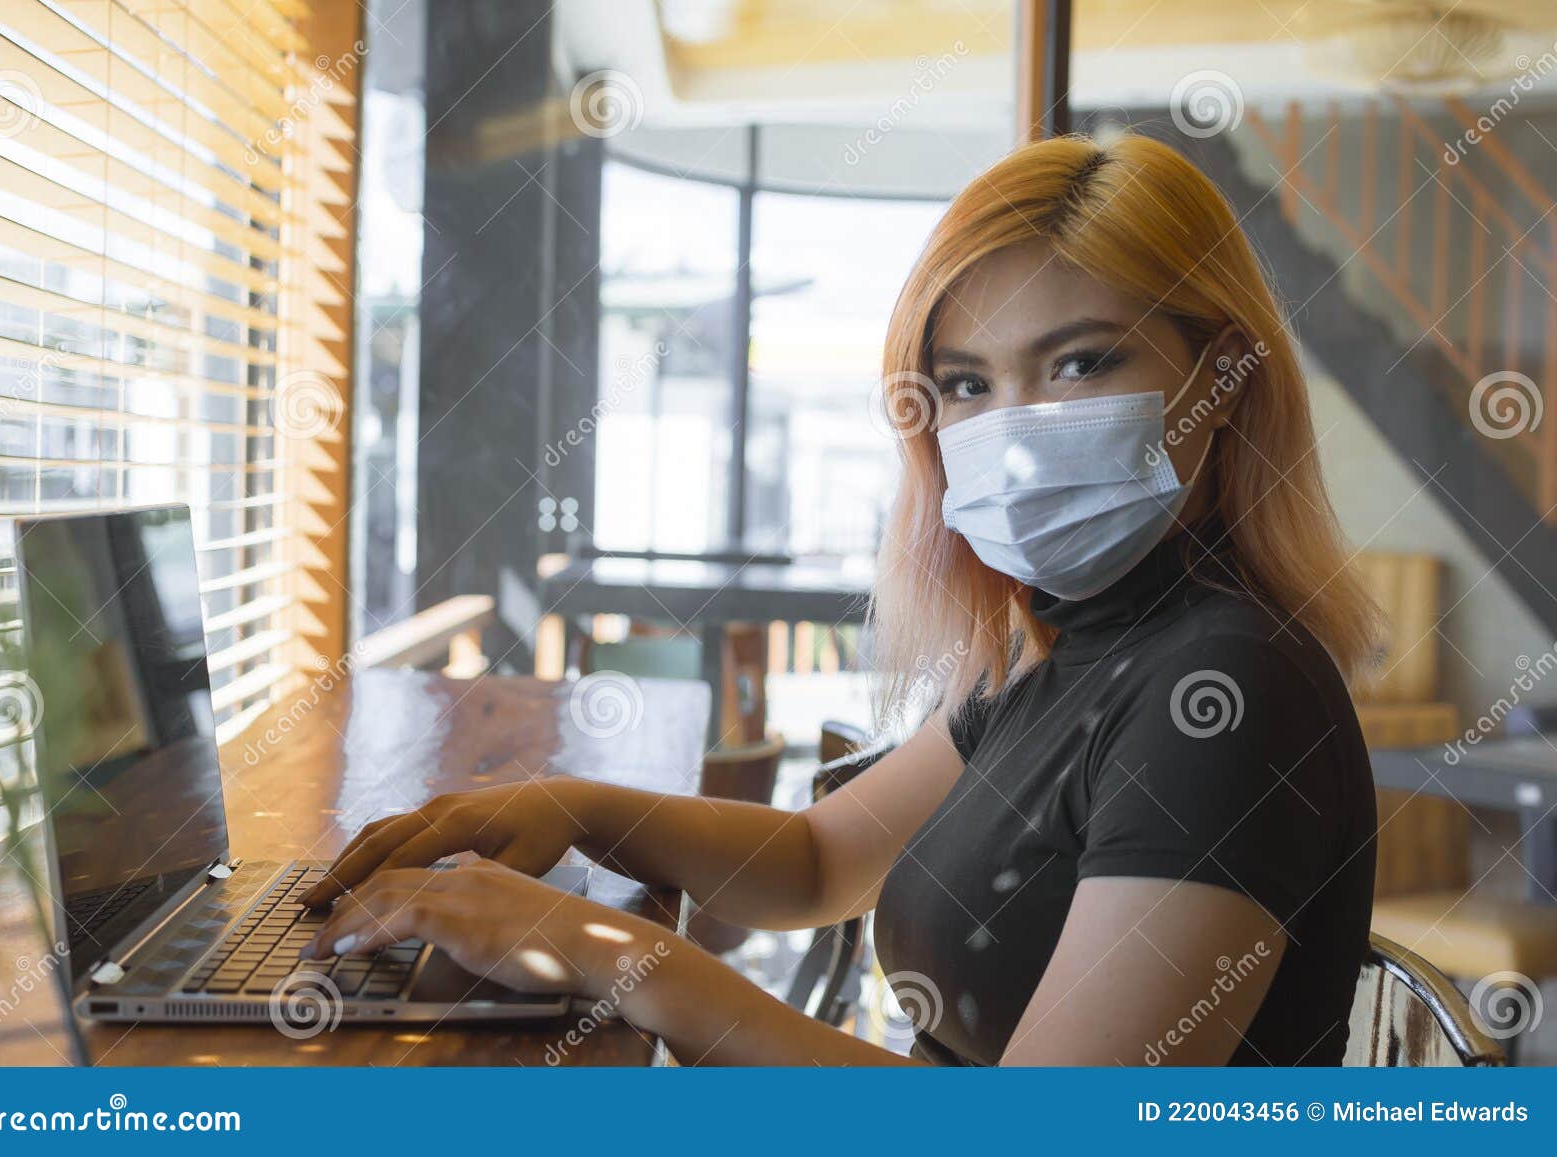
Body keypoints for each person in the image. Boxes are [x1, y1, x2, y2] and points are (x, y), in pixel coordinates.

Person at [300, 131, 1382, 1066]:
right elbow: (817, 860)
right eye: (966, 382)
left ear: (1224, 377)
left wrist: (600, 950)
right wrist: (570, 807)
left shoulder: (1228, 691)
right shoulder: (1068, 640)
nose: (1009, 431)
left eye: (1081, 363)